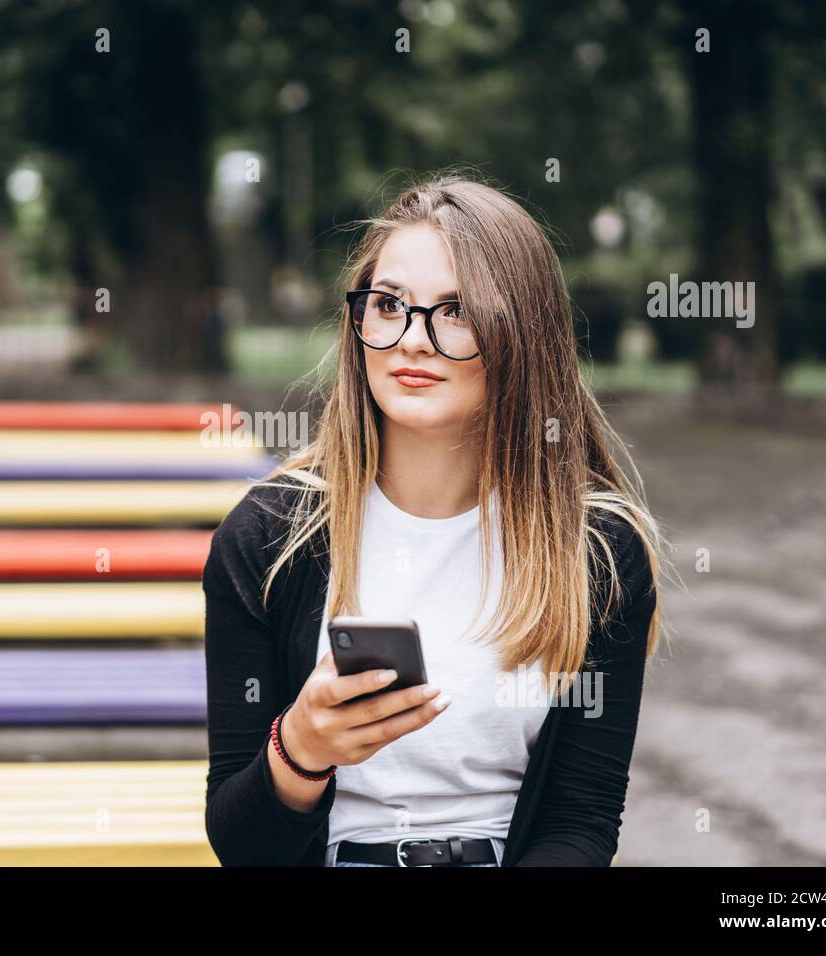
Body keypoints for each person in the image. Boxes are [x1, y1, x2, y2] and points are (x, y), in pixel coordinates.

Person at [202, 172, 665, 867]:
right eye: (388, 304)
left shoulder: (595, 548)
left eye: (456, 310)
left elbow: (580, 822)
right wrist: (299, 750)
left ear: (522, 335)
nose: (413, 340)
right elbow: (242, 847)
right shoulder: (269, 536)